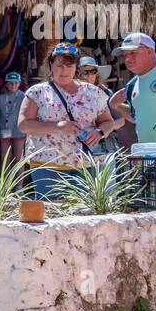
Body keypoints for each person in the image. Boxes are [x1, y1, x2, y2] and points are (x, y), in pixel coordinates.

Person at [18, 42, 124, 199]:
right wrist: (57, 126)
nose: (64, 70)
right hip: (49, 166)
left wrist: (100, 131)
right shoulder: (38, 92)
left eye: (69, 65)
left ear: (76, 67)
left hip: (87, 165)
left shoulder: (93, 92)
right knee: (52, 215)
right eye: (59, 65)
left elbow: (107, 121)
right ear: (51, 65)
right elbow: (24, 125)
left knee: (85, 216)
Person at [0, 72, 25, 167]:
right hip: (5, 131)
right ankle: (6, 182)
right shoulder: (0, 98)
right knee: (5, 159)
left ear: (19, 83)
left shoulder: (24, 97)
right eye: (10, 83)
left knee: (19, 160)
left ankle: (19, 182)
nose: (13, 85)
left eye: (16, 83)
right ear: (6, 84)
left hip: (19, 131)